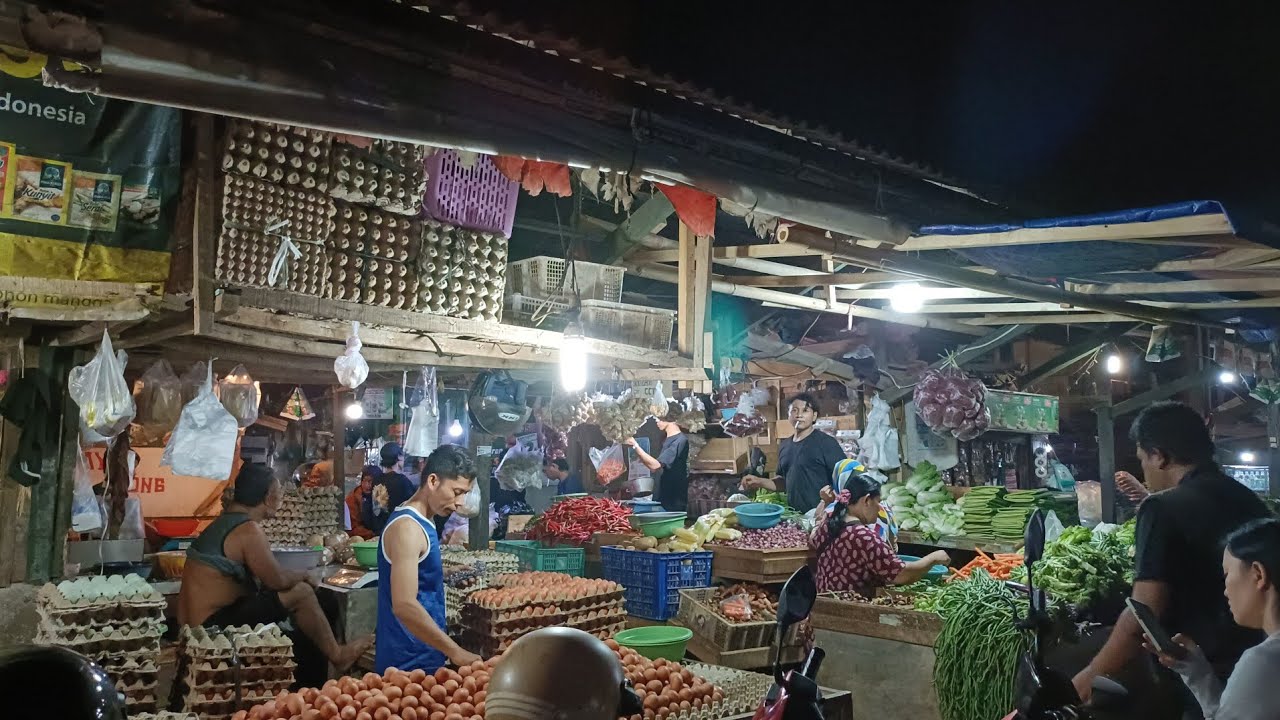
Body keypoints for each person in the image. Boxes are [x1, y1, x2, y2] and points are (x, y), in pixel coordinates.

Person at [1072, 401, 1269, 714]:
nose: (1145, 472)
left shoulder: (1161, 508)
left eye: (1143, 460)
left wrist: (1085, 679)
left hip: (1194, 670)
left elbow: (1143, 611)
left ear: (1159, 456)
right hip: (1256, 666)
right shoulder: (1249, 500)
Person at [179, 464, 371, 674]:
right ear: (268, 497)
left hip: (196, 623)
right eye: (278, 493)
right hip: (212, 625)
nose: (279, 500)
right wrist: (305, 575)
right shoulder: (247, 530)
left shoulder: (222, 524)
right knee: (302, 593)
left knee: (299, 605)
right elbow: (276, 580)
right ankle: (338, 655)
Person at [1146, 518, 1280, 720]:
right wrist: (1197, 672)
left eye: (1227, 575)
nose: (1226, 591)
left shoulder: (1264, 662)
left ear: (1258, 574)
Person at [376, 444, 482, 673]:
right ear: (433, 481)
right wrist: (455, 651)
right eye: (457, 492)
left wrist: (440, 575)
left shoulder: (424, 520)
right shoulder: (408, 528)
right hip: (407, 661)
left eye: (465, 493)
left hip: (424, 653)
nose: (460, 502)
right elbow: (404, 605)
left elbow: (410, 570)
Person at [808, 463, 950, 596]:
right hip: (853, 610)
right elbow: (900, 574)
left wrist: (824, 503)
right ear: (867, 500)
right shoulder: (863, 536)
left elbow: (813, 538)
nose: (879, 508)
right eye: (878, 502)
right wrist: (932, 559)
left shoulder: (828, 525)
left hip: (824, 603)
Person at [741, 393, 847, 513]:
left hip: (823, 515)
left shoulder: (826, 443)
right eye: (794, 410)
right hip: (797, 515)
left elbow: (844, 479)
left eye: (805, 410)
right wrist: (759, 481)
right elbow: (784, 482)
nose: (799, 415)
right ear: (788, 415)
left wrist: (828, 502)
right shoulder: (785, 445)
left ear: (814, 416)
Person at [626, 401, 690, 511]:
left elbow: (655, 465)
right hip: (663, 496)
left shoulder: (680, 441)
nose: (656, 421)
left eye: (659, 418)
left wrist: (635, 445)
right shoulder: (665, 439)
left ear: (670, 419)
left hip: (673, 500)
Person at [366, 442, 416, 535]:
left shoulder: (376, 480)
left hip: (379, 531)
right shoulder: (403, 481)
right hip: (398, 531)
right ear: (398, 457)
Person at [345, 465, 380, 540]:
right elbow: (352, 528)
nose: (367, 485)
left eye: (371, 482)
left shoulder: (381, 495)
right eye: (365, 481)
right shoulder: (353, 498)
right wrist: (372, 534)